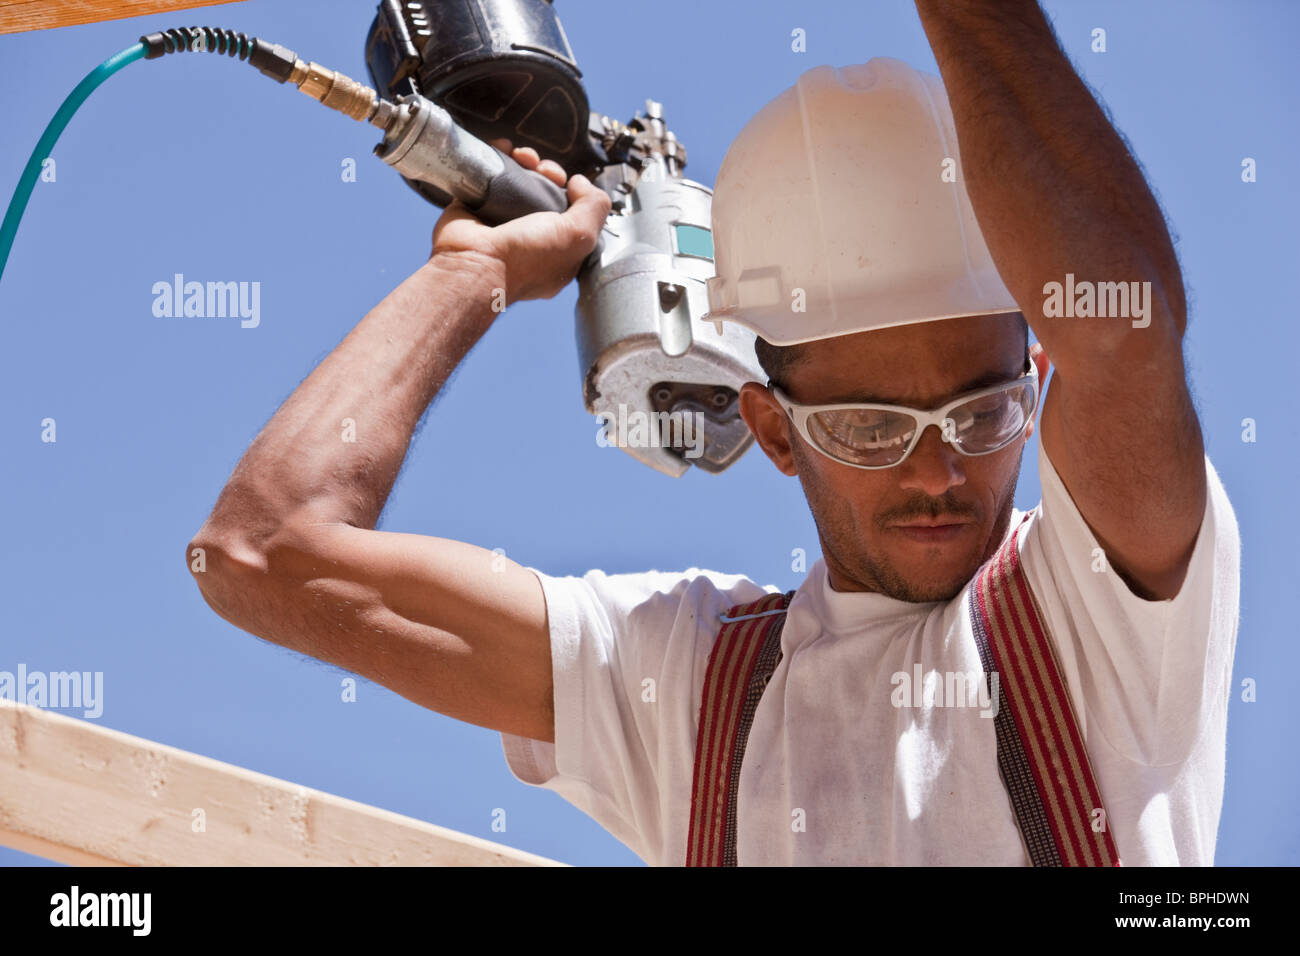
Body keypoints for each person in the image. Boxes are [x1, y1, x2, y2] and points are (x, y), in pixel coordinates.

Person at [188, 0, 1239, 866]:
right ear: (772, 430)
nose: (940, 467)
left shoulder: (1102, 620)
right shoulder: (688, 687)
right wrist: (474, 274)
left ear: (1035, 375)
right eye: (871, 427)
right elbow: (262, 551)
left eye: (982, 412)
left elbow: (1122, 327)